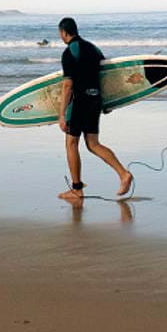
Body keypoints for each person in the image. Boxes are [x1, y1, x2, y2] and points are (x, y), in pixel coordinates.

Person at [56, 17, 133, 201]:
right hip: (95, 100)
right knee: (93, 144)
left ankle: (76, 189)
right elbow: (106, 76)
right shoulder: (93, 48)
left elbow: (67, 86)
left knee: (71, 144)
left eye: (60, 34)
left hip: (80, 101)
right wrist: (107, 103)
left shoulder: (68, 53)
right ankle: (123, 174)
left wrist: (61, 114)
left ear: (64, 33)